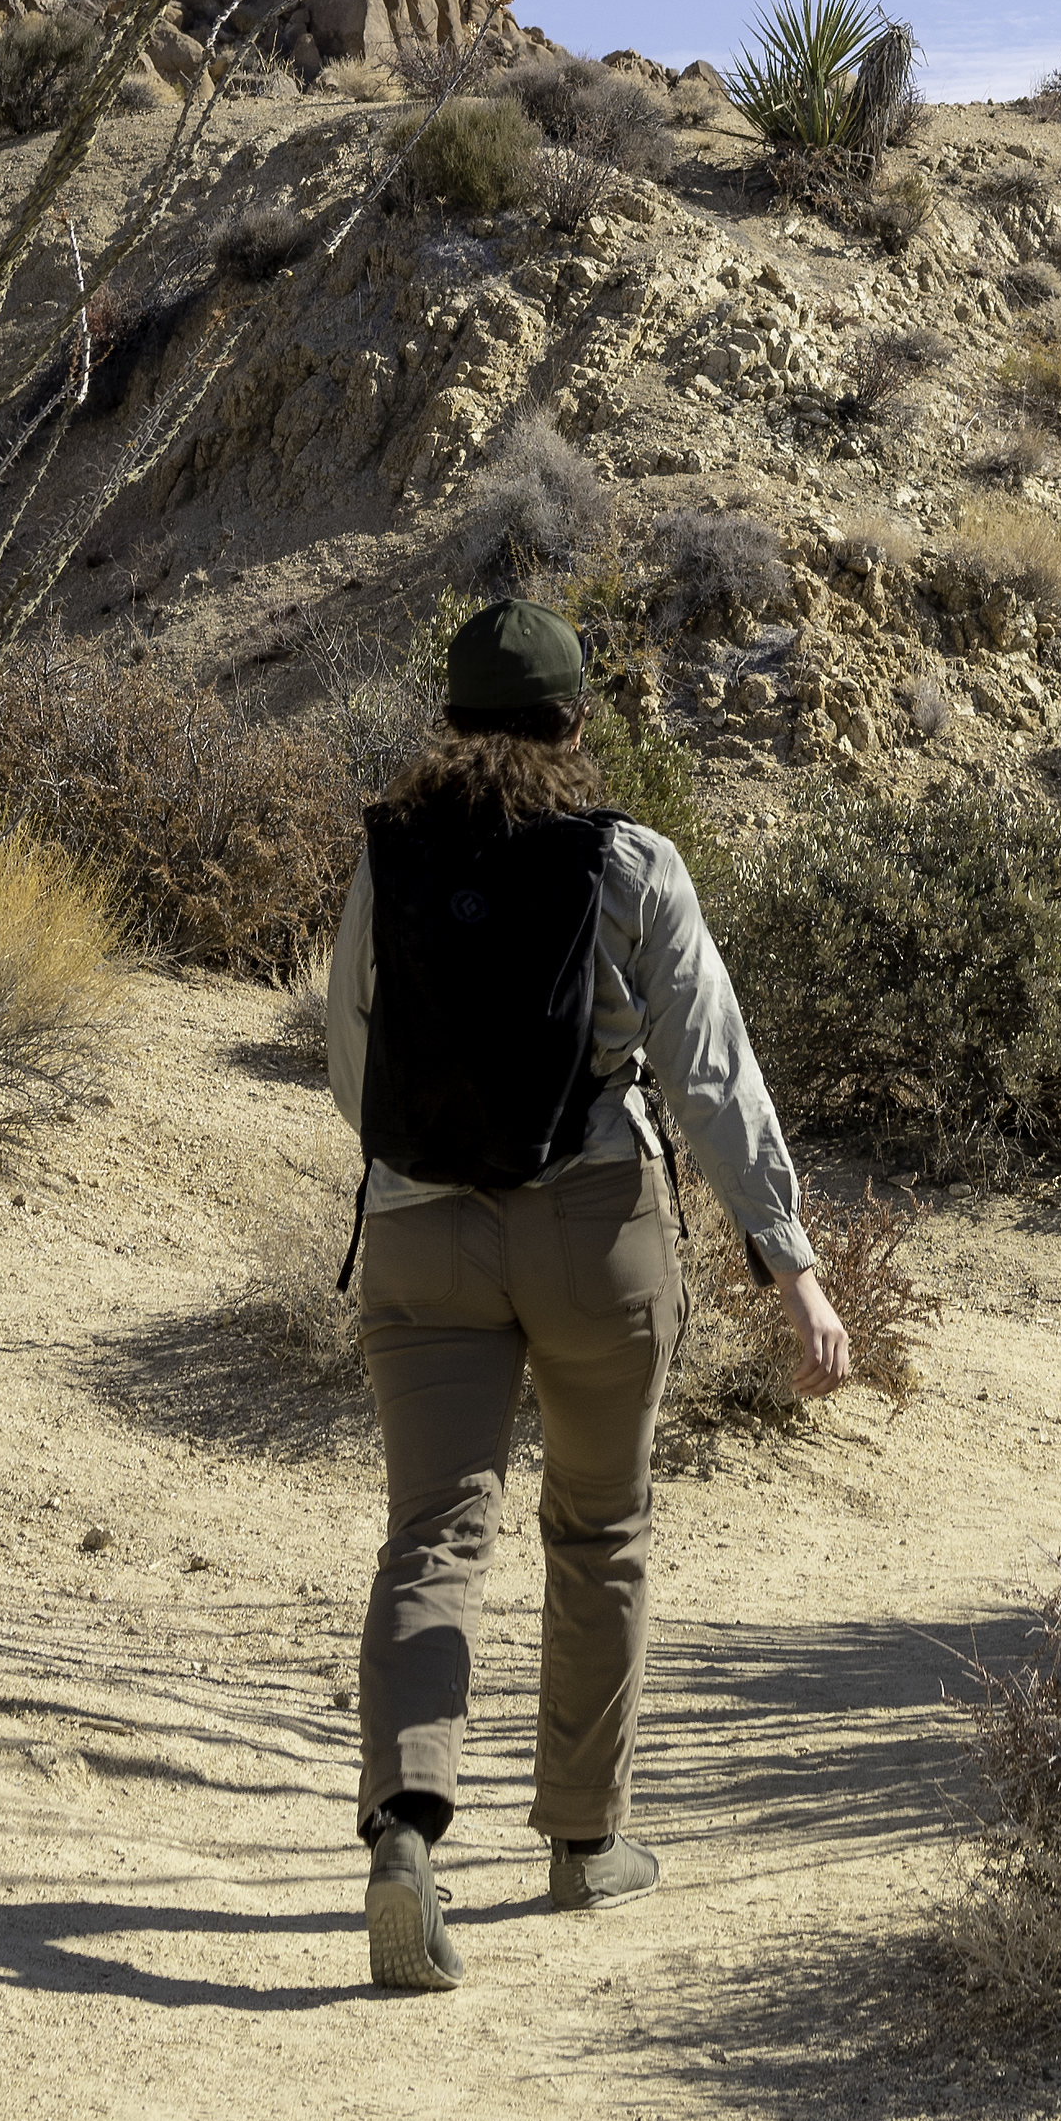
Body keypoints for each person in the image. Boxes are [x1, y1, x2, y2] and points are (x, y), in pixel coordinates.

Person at [316, 600, 850, 1996]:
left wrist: (428, 1165)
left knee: (432, 1534)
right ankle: (583, 1842)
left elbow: (348, 1054)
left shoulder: (389, 859)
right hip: (595, 1232)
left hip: (421, 1232)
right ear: (571, 724)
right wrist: (785, 1261)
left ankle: (405, 1835)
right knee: (598, 1529)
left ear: (451, 719)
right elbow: (713, 1073)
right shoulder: (631, 861)